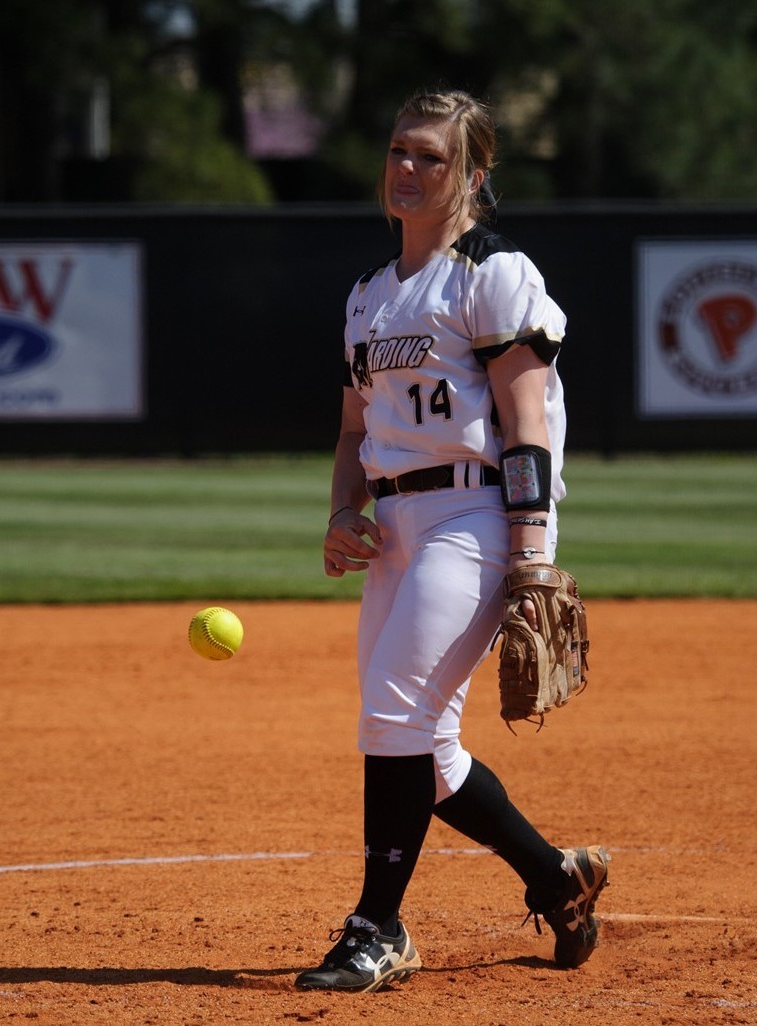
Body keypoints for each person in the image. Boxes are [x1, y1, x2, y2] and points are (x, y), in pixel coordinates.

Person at [301, 88, 609, 994]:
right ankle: (557, 878)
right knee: (424, 747)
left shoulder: (492, 274)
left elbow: (525, 427)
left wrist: (531, 551)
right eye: (400, 150)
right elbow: (355, 431)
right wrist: (340, 511)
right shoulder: (368, 296)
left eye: (431, 157)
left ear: (474, 174)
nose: (407, 168)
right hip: (395, 528)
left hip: (474, 516)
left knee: (392, 717)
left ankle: (377, 926)